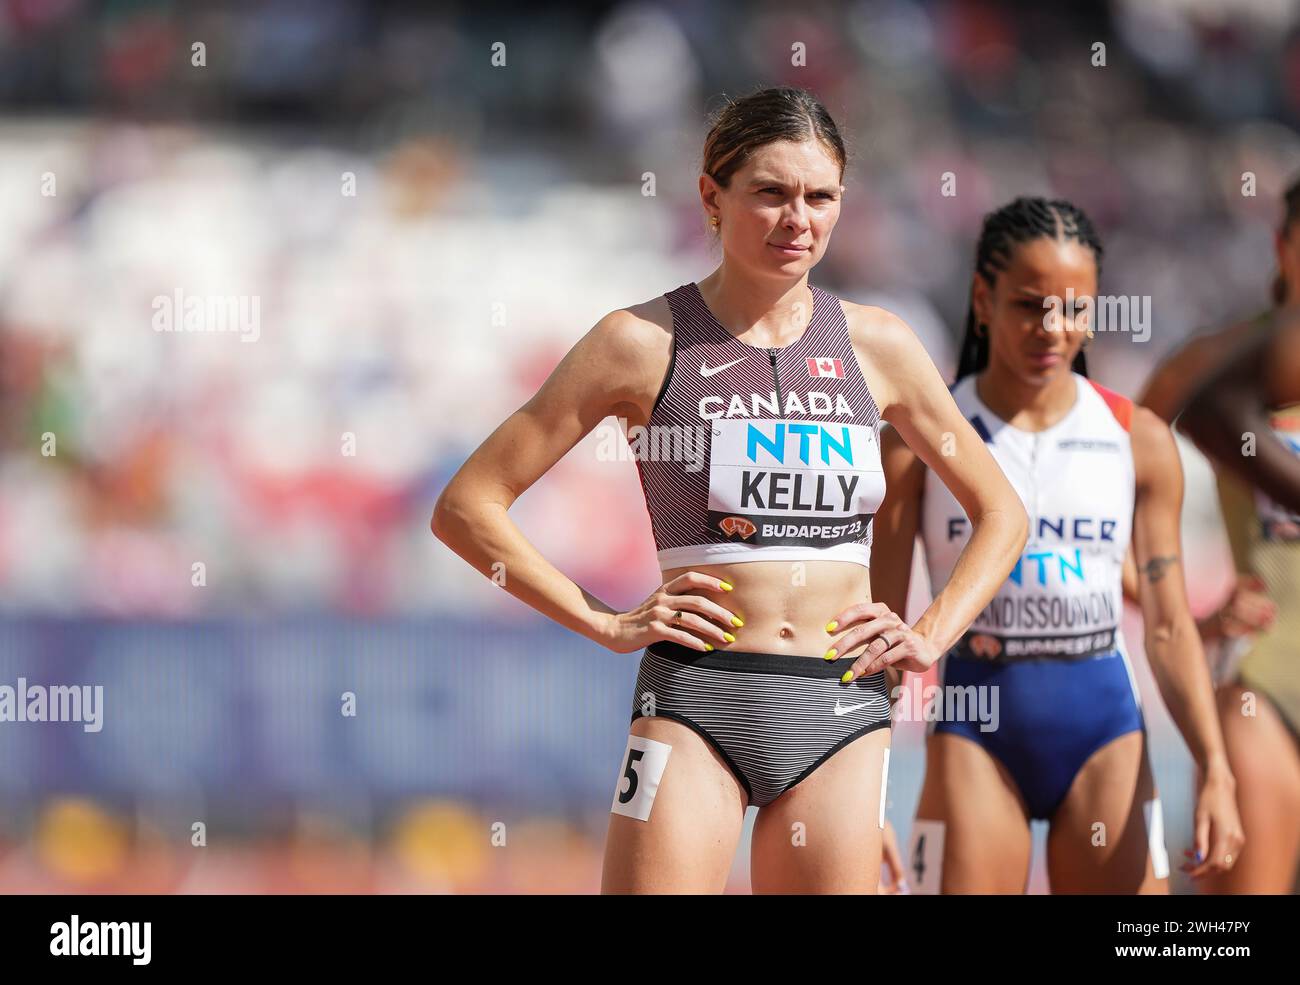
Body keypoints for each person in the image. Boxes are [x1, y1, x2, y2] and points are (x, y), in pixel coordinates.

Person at [432, 86, 1027, 893]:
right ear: (712, 197)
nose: (798, 220)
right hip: (694, 698)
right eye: (771, 193)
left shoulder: (880, 345)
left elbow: (1003, 512)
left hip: (841, 709)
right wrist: (602, 620)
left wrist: (930, 634)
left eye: (821, 197)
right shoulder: (637, 343)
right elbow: (468, 505)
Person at [873, 196, 1244, 893]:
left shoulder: (1140, 441)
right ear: (983, 299)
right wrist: (868, 797)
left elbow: (1167, 627)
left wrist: (1215, 769)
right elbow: (882, 632)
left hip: (1102, 718)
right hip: (974, 721)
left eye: (1075, 308)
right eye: (1029, 304)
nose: (1053, 329)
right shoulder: (917, 443)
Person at [1137, 177, 1300, 893]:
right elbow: (1113, 490)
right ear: (1280, 247)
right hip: (1266, 665)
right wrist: (1184, 613)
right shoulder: (1221, 359)